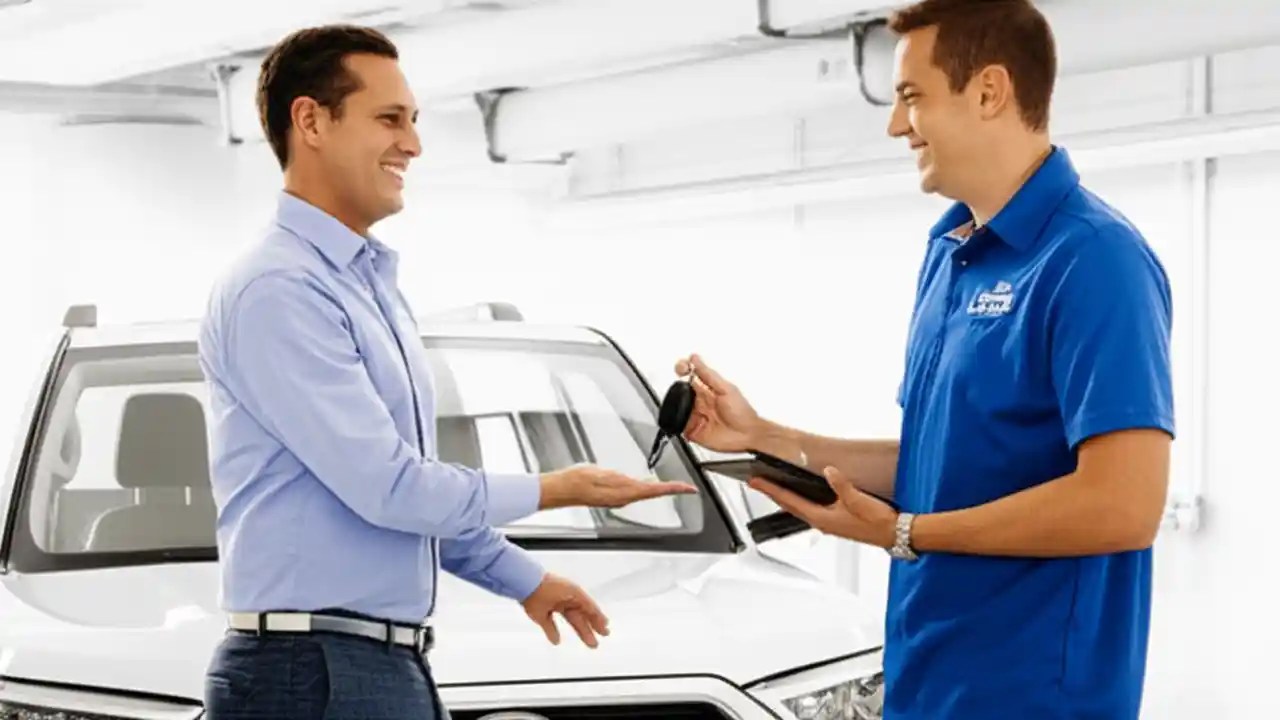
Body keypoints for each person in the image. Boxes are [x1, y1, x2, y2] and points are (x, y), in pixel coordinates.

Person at [675, 1, 1174, 718]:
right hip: (928, 683)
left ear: (989, 91)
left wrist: (907, 533)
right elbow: (940, 462)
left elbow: (1123, 505)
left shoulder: (1095, 259)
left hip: (1033, 697)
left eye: (911, 97)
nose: (895, 124)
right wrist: (765, 438)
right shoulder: (950, 253)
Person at [197, 24, 696, 720]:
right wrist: (557, 488)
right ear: (310, 120)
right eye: (389, 119)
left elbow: (412, 494)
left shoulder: (367, 286)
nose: (414, 144)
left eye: (414, 121)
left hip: (370, 665)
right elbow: (390, 489)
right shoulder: (278, 290)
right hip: (311, 675)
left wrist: (526, 580)